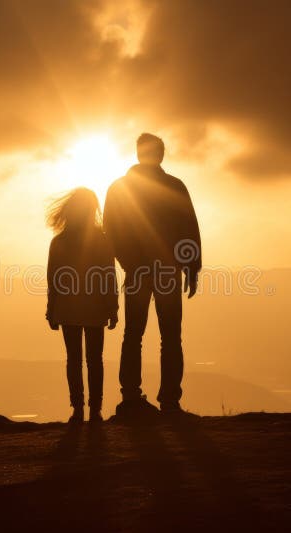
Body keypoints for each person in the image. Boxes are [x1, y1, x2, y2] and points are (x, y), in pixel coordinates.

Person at [103, 133, 202, 418]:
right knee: (168, 337)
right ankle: (167, 401)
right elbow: (189, 230)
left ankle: (133, 397)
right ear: (160, 155)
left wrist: (129, 263)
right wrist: (191, 267)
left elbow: (111, 230)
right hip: (165, 270)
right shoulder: (174, 186)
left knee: (135, 335)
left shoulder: (120, 188)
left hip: (141, 271)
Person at [46, 187, 119, 424]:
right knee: (94, 360)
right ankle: (94, 410)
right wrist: (113, 308)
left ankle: (78, 410)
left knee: (74, 360)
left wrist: (52, 309)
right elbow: (109, 275)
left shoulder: (59, 242)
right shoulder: (102, 240)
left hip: (67, 308)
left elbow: (53, 278)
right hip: (95, 307)